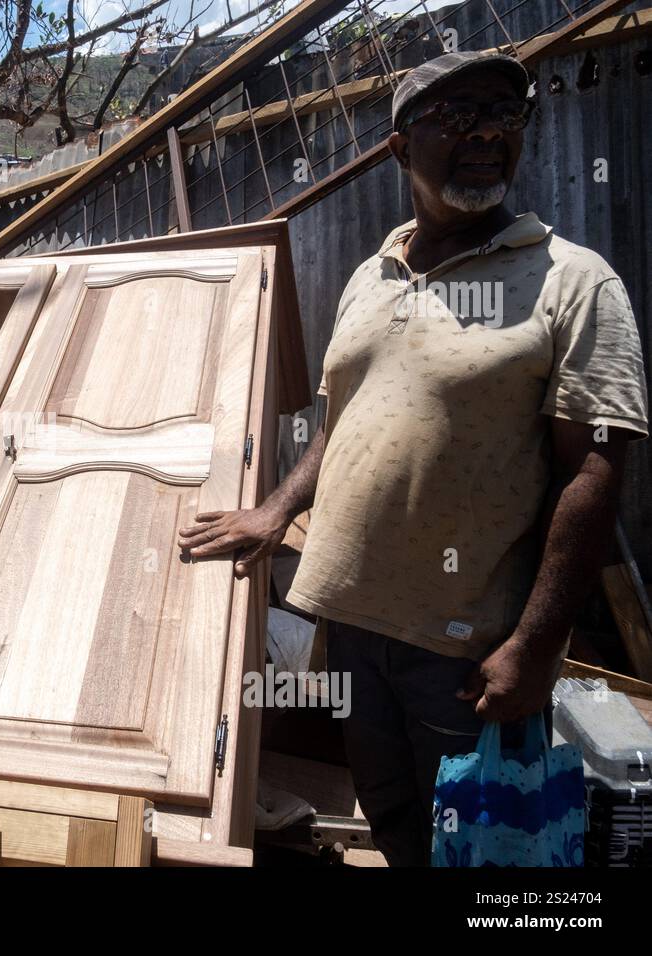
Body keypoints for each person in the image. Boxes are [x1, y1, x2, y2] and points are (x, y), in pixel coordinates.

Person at [177, 51, 649, 866]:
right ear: (400, 148)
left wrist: (538, 646)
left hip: (463, 651)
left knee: (484, 850)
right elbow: (340, 422)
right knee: (395, 820)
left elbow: (595, 470)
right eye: (457, 117)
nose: (486, 136)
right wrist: (276, 509)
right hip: (352, 629)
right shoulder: (372, 275)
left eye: (505, 116)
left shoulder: (573, 282)